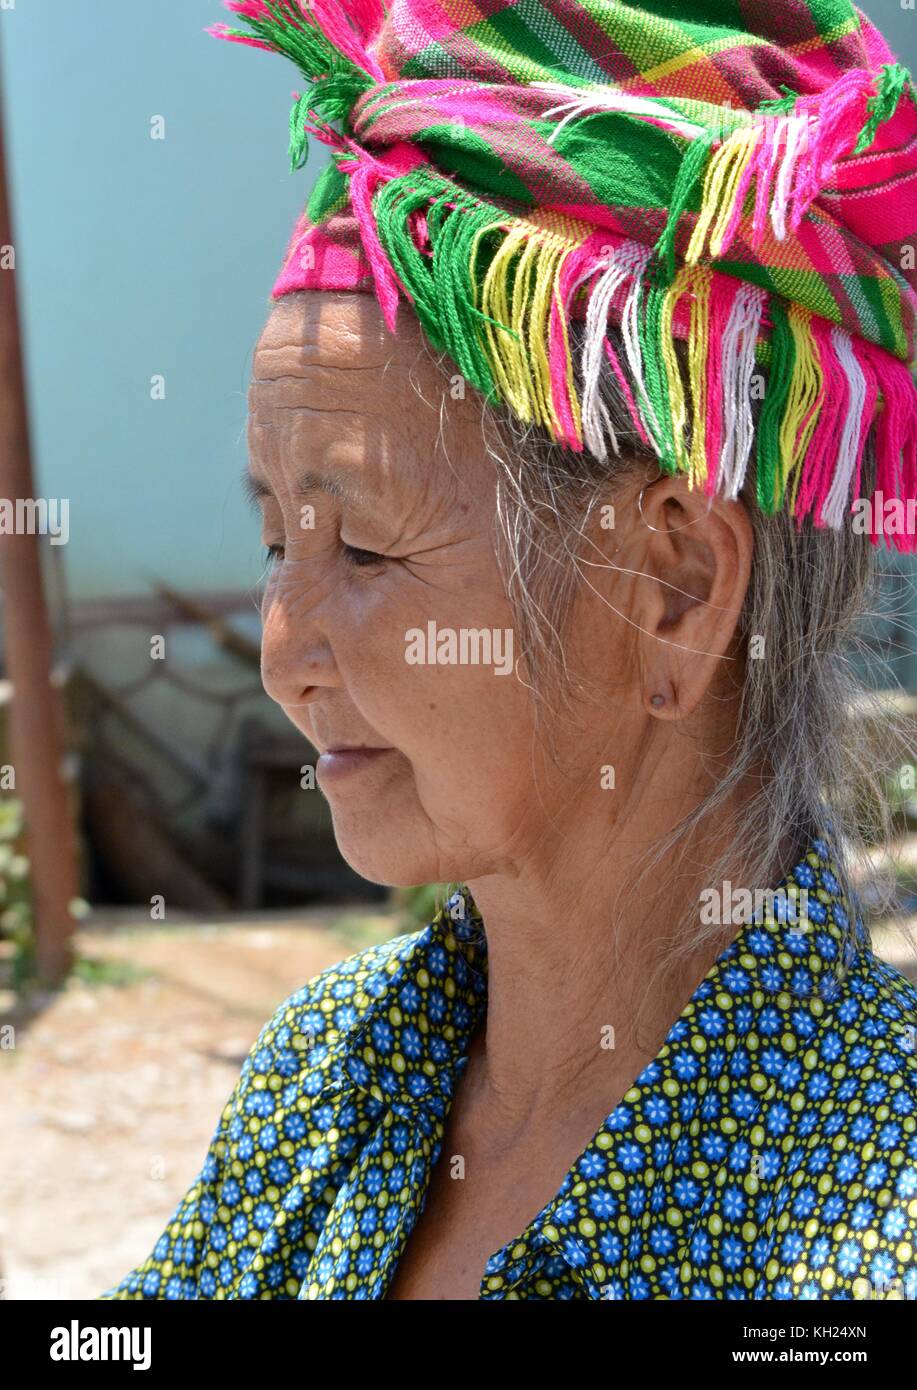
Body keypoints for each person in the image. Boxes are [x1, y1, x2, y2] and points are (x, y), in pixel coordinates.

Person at [101, 0, 917, 1300]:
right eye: (274, 544)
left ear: (675, 583)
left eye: (362, 549)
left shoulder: (872, 1225)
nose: (282, 651)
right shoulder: (331, 1076)